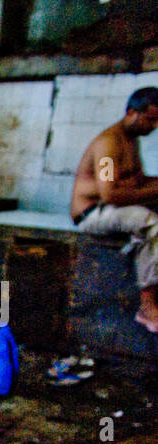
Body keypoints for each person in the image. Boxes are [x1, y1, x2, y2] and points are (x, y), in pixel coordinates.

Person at [70, 87, 158, 333]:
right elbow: (110, 193)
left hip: (113, 208)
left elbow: (137, 181)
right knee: (150, 221)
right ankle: (147, 307)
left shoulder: (130, 141)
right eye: (150, 119)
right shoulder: (109, 144)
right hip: (92, 213)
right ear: (131, 112)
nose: (154, 126)